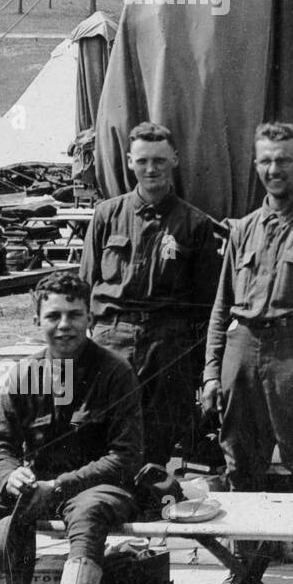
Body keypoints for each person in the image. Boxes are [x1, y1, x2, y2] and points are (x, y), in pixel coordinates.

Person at [200, 123, 293, 583]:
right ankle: (246, 572)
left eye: (283, 160)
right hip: (241, 350)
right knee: (240, 462)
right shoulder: (243, 230)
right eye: (265, 160)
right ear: (256, 165)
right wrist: (211, 373)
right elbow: (220, 308)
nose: (274, 169)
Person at [0, 273, 143, 584]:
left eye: (74, 315)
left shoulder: (114, 372)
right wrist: (11, 476)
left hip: (99, 486)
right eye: (54, 315)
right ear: (37, 319)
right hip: (36, 488)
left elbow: (125, 456)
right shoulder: (24, 375)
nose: (64, 325)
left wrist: (59, 486)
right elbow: (2, 443)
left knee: (89, 512)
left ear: (91, 318)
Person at [80, 122, 221, 468]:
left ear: (174, 159)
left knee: (160, 431)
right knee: (102, 423)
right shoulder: (106, 215)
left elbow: (206, 302)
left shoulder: (195, 224)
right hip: (111, 336)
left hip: (167, 343)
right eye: (142, 161)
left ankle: (149, 498)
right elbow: (85, 284)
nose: (151, 168)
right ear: (129, 162)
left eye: (159, 160)